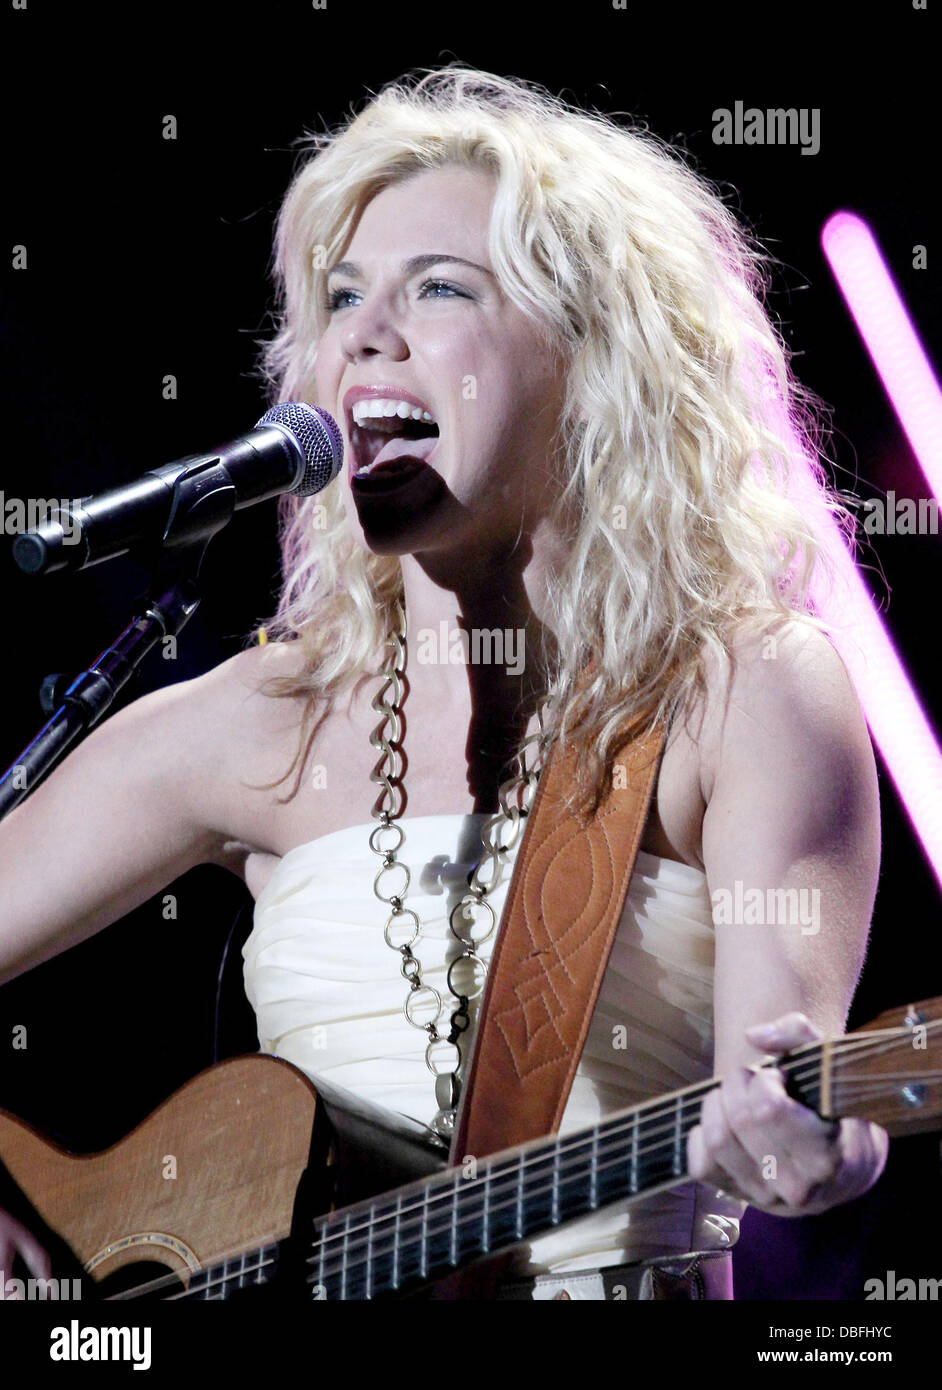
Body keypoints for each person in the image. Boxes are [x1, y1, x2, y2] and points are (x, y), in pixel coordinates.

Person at [0, 65, 887, 1301]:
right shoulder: (262, 723)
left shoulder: (740, 692)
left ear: (593, 358)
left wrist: (807, 1150)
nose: (364, 331)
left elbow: (781, 1084)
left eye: (440, 289)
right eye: (344, 296)